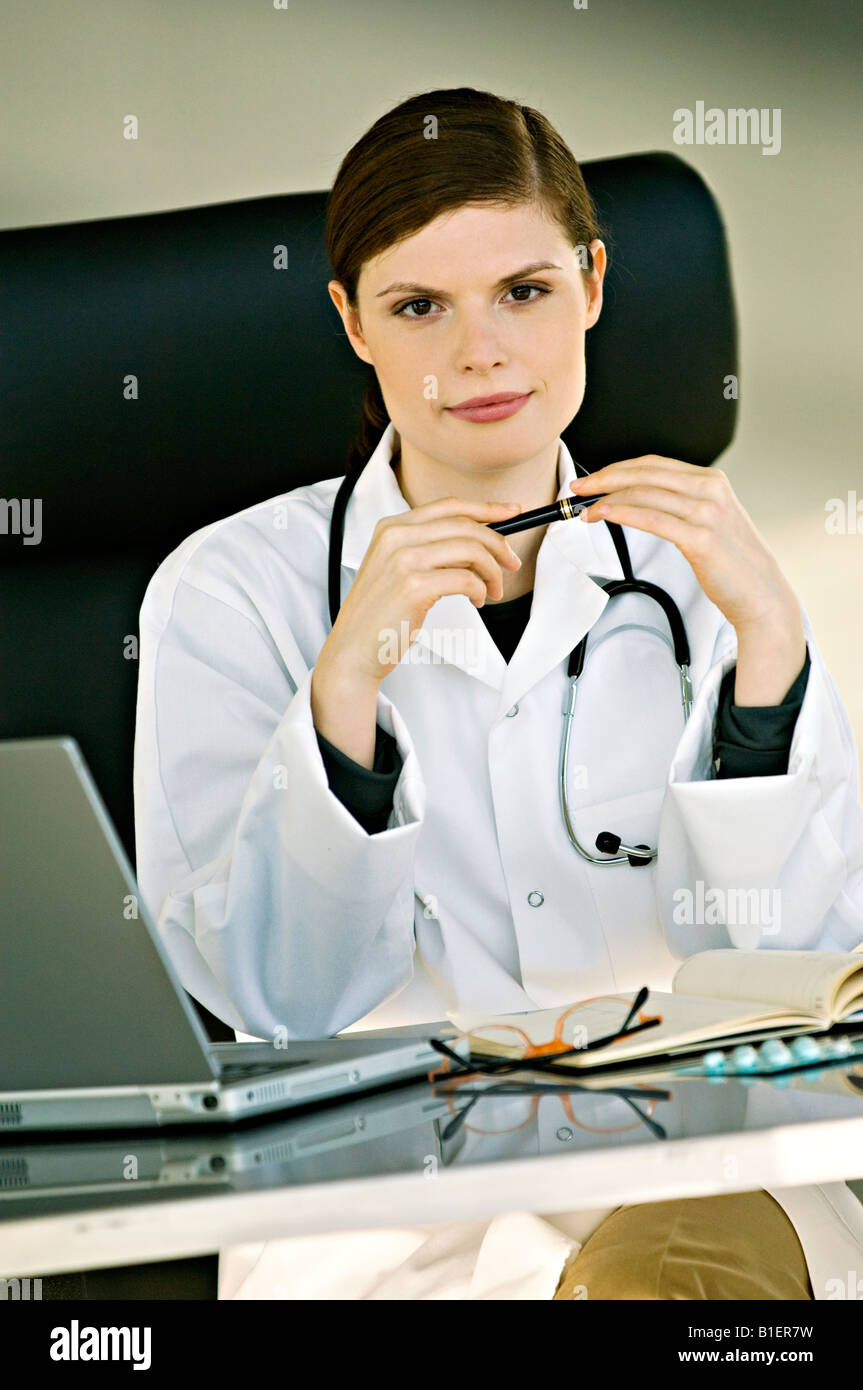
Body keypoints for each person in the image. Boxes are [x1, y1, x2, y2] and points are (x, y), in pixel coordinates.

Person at [134, 87, 863, 1299]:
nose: (478, 352)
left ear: (588, 282)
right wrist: (346, 684)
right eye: (418, 306)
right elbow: (270, 994)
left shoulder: (702, 572)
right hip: (384, 1188)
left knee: (690, 1279)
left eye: (522, 292)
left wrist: (771, 649)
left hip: (687, 1158)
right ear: (352, 324)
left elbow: (805, 977)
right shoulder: (230, 589)